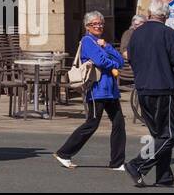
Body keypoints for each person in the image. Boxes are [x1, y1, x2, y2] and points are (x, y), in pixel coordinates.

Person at [125, 0, 174, 188]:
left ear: (149, 13)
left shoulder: (136, 34)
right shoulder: (168, 34)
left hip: (143, 88)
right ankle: (137, 165)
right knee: (170, 135)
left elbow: (131, 59)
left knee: (159, 136)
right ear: (166, 16)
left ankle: (164, 177)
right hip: (162, 88)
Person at [54, 11, 126, 171]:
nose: (99, 26)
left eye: (101, 23)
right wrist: (113, 64)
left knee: (119, 123)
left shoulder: (102, 43)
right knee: (92, 124)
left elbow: (121, 60)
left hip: (110, 90)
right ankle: (64, 153)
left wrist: (107, 46)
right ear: (87, 26)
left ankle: (117, 162)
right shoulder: (87, 41)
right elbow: (100, 61)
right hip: (96, 89)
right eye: (95, 24)